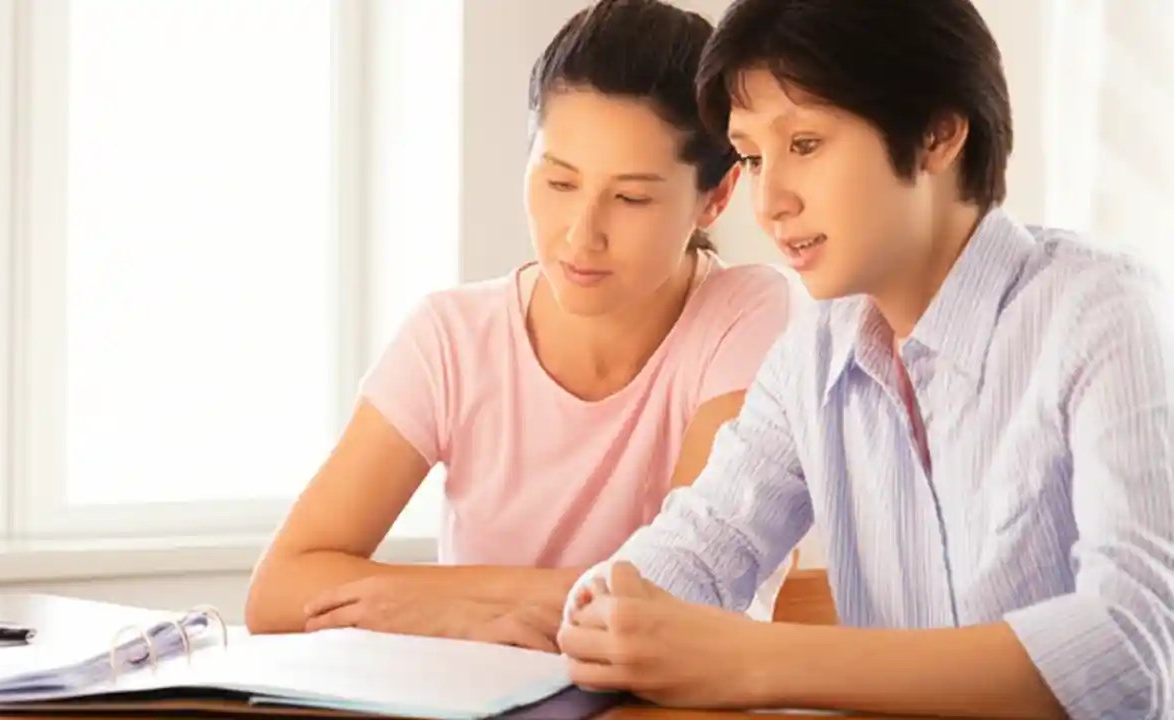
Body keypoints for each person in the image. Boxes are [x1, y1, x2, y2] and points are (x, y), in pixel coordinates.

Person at [558, 0, 1174, 717]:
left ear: (937, 134)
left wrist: (757, 661)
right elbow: (695, 551)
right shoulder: (811, 355)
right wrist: (610, 611)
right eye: (752, 158)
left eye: (806, 144)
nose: (770, 202)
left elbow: (1131, 650)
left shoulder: (1103, 312)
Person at [245, 0, 794, 651]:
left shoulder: (746, 315)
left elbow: (678, 599)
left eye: (630, 198)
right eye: (559, 183)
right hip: (480, 692)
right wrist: (459, 613)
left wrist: (421, 596)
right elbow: (279, 590)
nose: (581, 236)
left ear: (717, 196)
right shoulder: (451, 337)